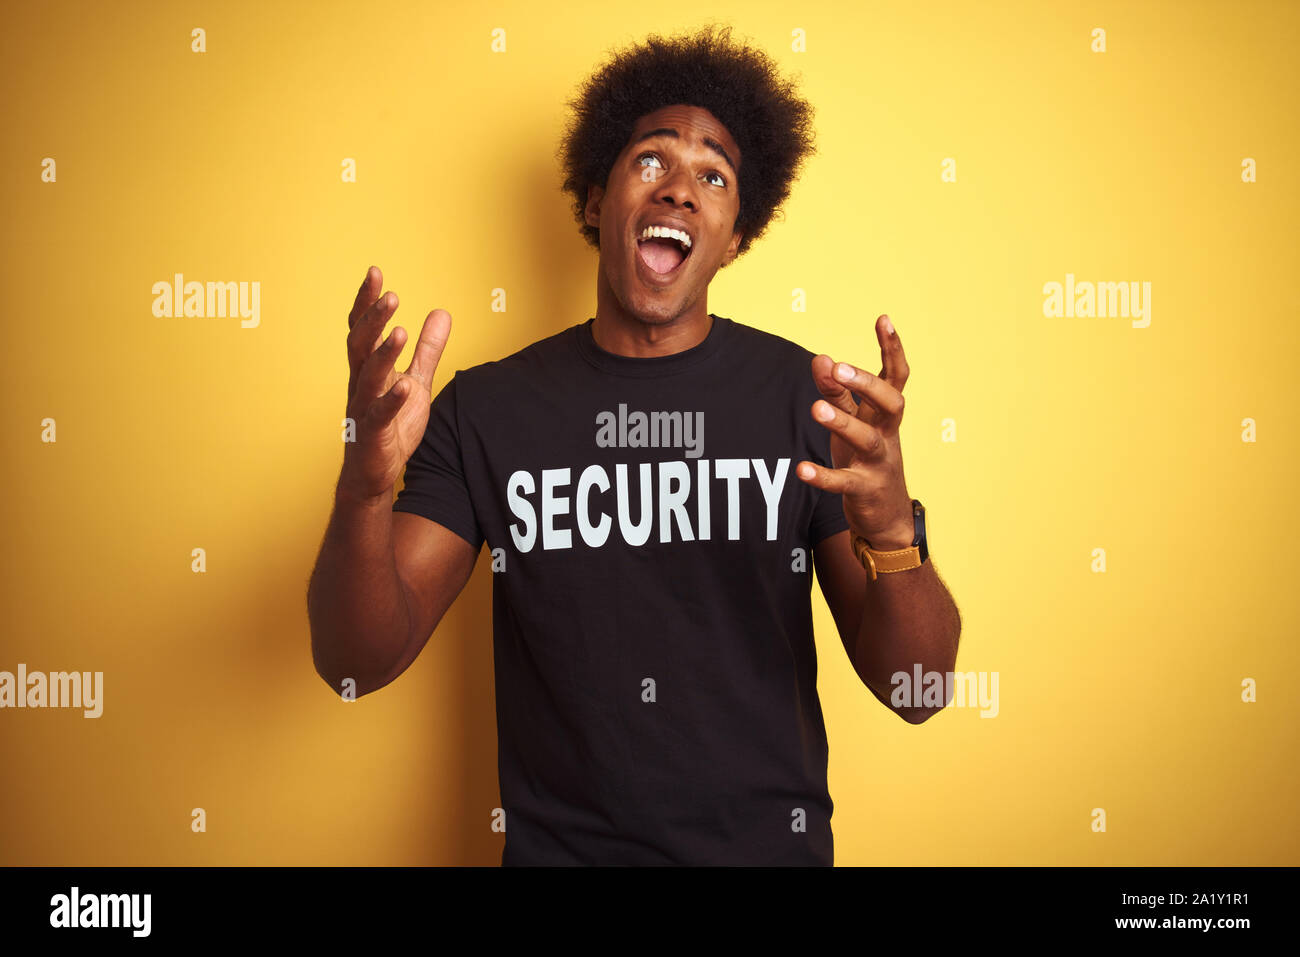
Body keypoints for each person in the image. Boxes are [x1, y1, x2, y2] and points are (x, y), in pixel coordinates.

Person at [307, 23, 962, 866]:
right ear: (593, 200)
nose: (680, 190)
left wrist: (891, 535)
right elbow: (356, 661)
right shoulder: (485, 411)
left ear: (734, 235)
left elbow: (920, 692)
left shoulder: (810, 402)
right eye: (652, 160)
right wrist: (362, 490)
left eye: (713, 176)